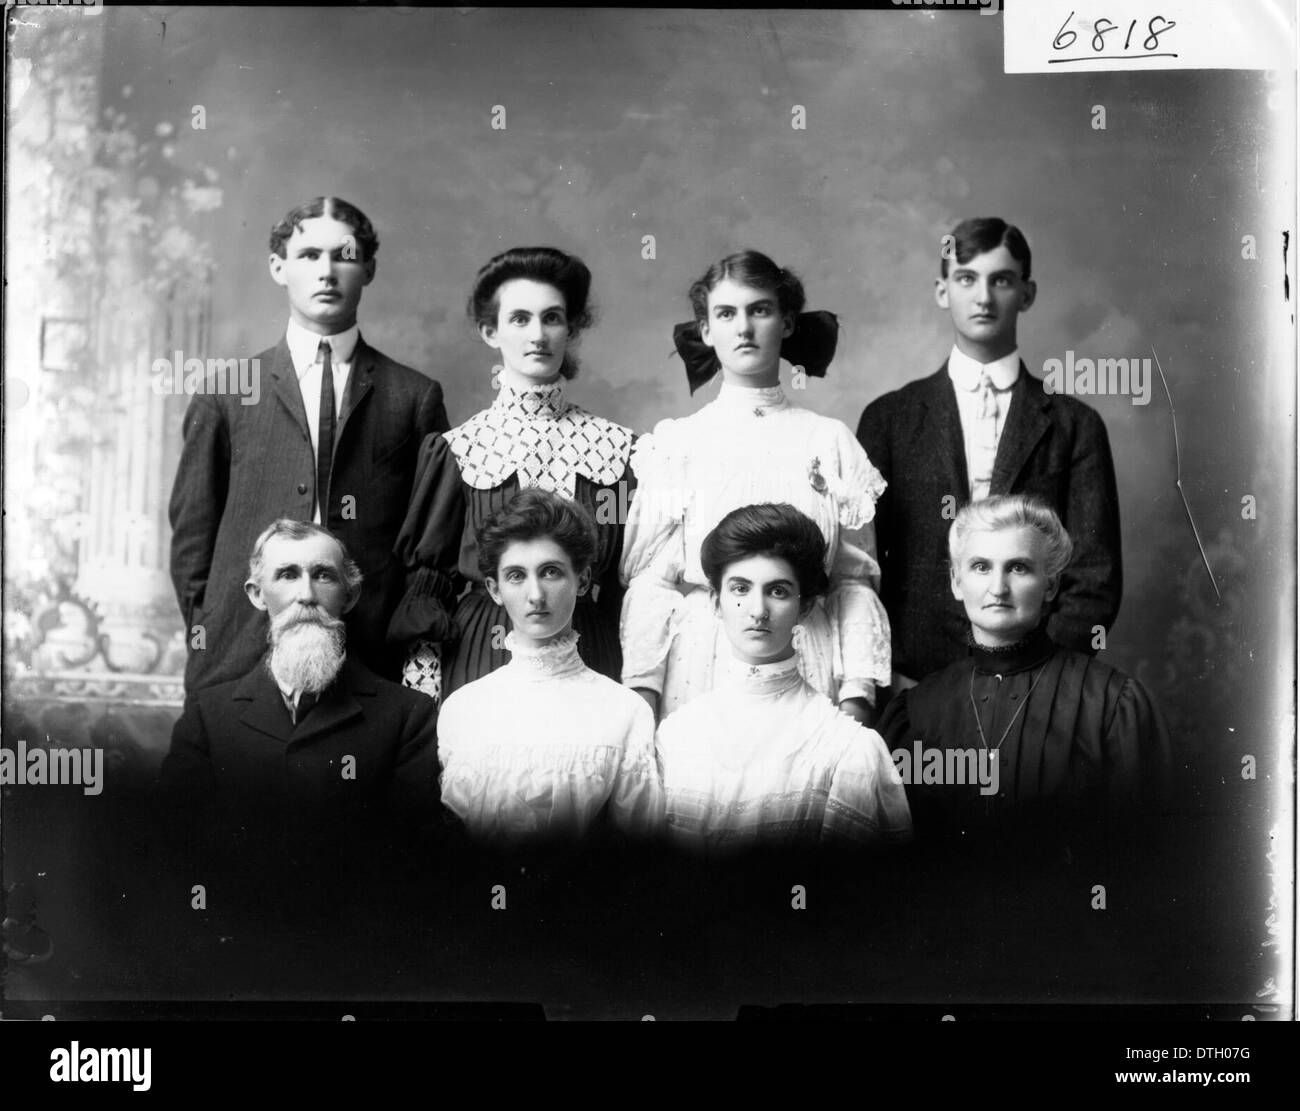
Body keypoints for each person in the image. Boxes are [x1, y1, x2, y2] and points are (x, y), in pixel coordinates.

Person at [169, 196, 449, 692]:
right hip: (240, 650)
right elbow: (193, 538)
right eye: (308, 255)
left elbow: (429, 542)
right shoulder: (227, 391)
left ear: (368, 269)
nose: (327, 271)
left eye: (343, 255)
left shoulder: (412, 396)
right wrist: (214, 627)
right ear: (279, 267)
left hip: (367, 652)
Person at [621, 249, 890, 725]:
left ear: (786, 323)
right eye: (726, 313)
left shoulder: (829, 440)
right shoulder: (678, 443)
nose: (743, 328)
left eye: (759, 310)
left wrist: (856, 696)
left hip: (809, 659)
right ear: (706, 329)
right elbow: (651, 581)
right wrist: (644, 692)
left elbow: (854, 580)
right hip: (703, 665)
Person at [856, 218, 1121, 690]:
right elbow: (863, 565)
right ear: (943, 291)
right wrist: (890, 671)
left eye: (1001, 280)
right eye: (966, 278)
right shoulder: (889, 418)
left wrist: (1036, 673)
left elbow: (1094, 578)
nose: (983, 297)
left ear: (1027, 293)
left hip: (1035, 685)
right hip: (912, 681)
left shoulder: (1074, 425)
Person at [388, 247, 634, 703]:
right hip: (485, 654)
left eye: (552, 318)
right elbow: (431, 584)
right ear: (489, 331)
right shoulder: (458, 450)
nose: (538, 334)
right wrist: (424, 704)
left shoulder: (618, 450)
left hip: (594, 655)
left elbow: (626, 582)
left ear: (572, 328)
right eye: (519, 319)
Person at [877, 496, 1169, 836]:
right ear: (957, 582)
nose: (998, 588)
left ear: (1050, 585)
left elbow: (1144, 854)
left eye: (1018, 568)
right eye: (981, 567)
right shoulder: (915, 713)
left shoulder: (1111, 704)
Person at [655, 503, 912, 852]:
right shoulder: (676, 737)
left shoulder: (846, 748)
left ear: (804, 606)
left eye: (778, 591)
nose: (758, 611)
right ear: (716, 602)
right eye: (740, 589)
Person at [159, 519, 439, 821]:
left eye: (323, 576)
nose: (306, 594)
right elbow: (176, 839)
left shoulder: (407, 716)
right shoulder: (208, 715)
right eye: (288, 575)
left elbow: (412, 850)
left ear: (350, 595)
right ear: (257, 594)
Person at [435, 489, 662, 846]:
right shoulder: (462, 709)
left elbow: (639, 854)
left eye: (551, 572)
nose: (536, 595)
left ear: (582, 581)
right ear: (494, 589)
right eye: (516, 576)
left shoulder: (625, 711)